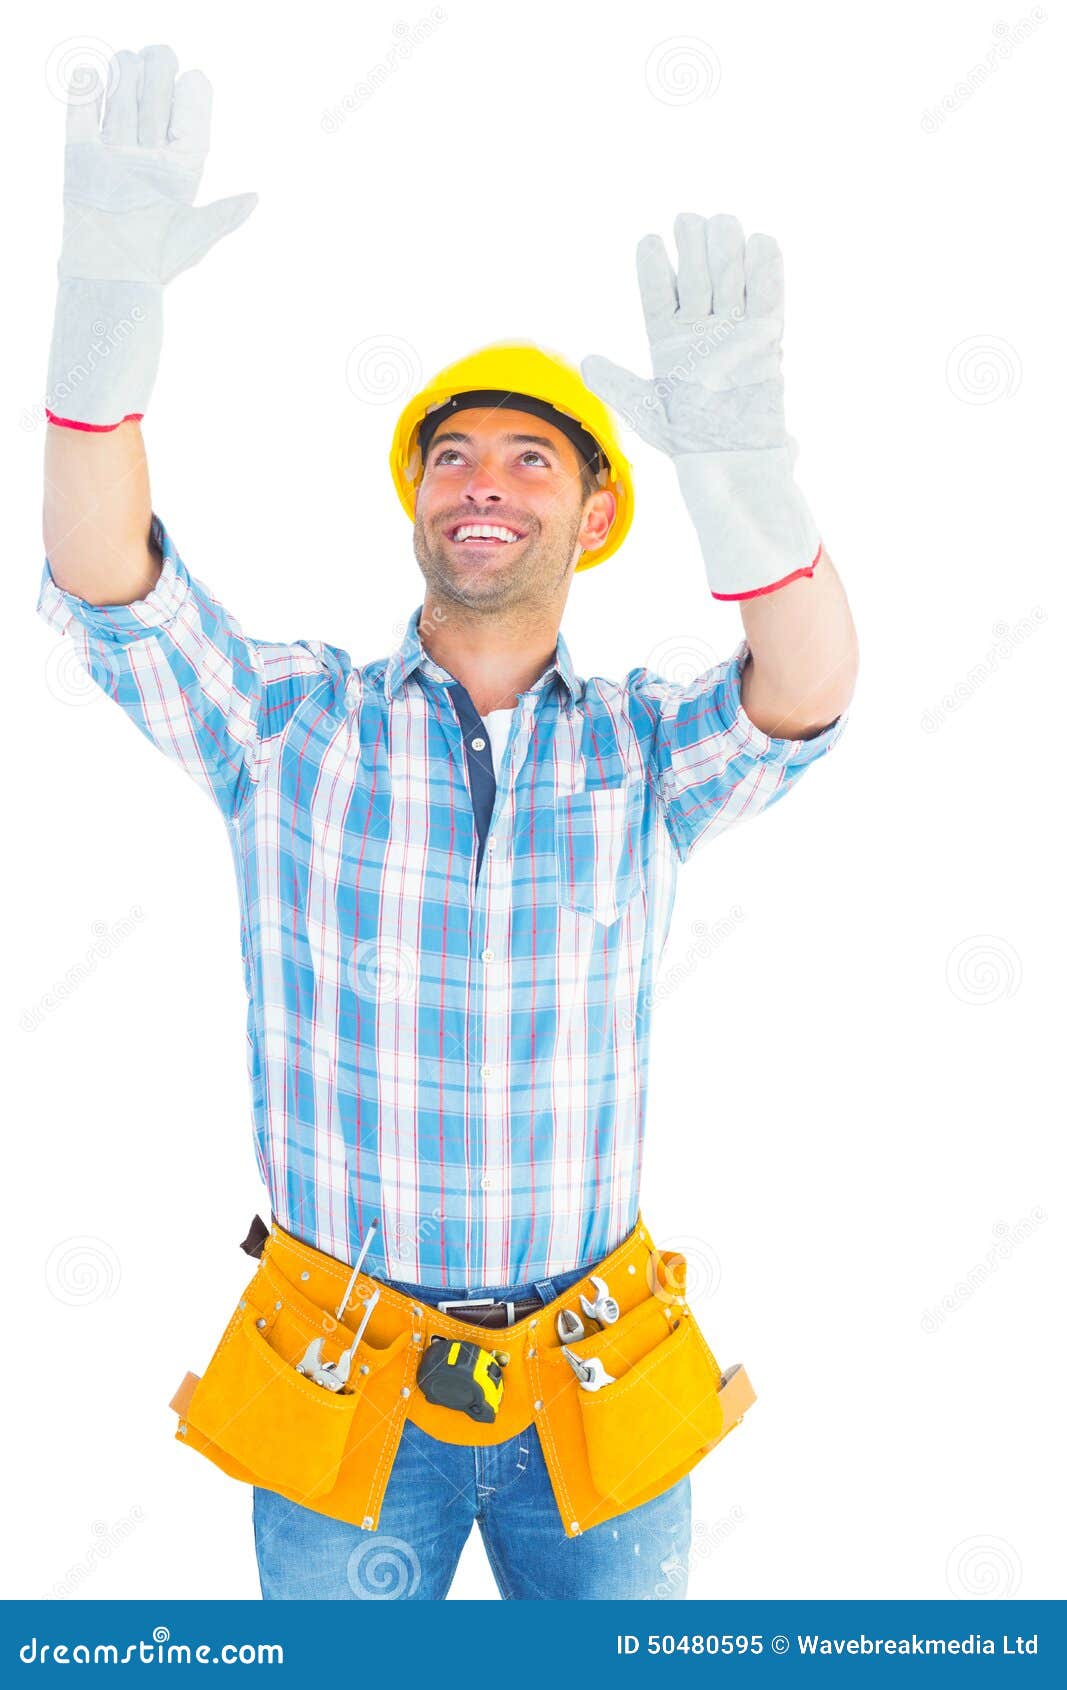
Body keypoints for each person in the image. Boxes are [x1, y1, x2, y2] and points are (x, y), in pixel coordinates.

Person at [37, 47, 858, 1601]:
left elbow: (807, 691)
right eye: (454, 456)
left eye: (532, 457)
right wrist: (99, 310)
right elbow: (103, 576)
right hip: (341, 1371)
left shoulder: (640, 752)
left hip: (595, 1381)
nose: (487, 482)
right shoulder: (287, 725)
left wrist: (746, 464)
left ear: (597, 514)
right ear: (418, 501)